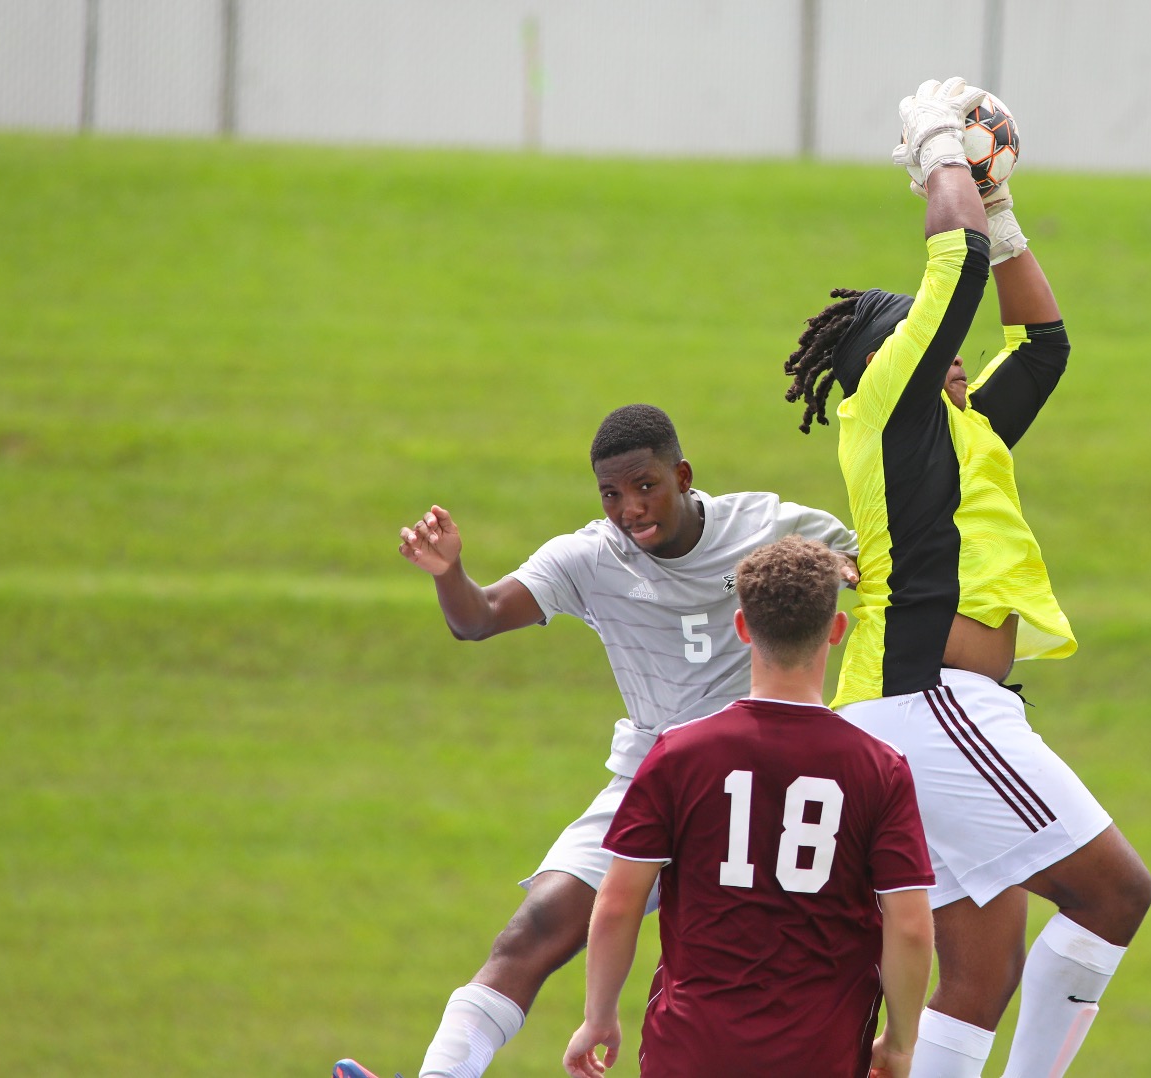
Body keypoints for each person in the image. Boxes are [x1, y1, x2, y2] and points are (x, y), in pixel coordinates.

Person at [781, 78, 1151, 1078]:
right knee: (1116, 893)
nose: (955, 354)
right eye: (933, 342)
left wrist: (999, 209)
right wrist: (940, 149)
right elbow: (954, 268)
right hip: (927, 703)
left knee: (976, 973)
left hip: (931, 708)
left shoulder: (963, 423)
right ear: (886, 359)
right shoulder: (884, 409)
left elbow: (1042, 343)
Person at [334, 405, 856, 1078]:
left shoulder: (770, 525)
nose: (630, 509)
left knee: (750, 986)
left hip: (756, 789)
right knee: (530, 932)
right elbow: (480, 619)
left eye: (646, 486)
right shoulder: (589, 557)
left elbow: (877, 569)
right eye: (611, 493)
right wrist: (448, 575)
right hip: (650, 779)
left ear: (683, 475)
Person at [563, 535, 935, 1078]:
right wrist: (899, 1045)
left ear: (742, 627)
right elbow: (909, 927)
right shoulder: (880, 767)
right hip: (821, 1055)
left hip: (690, 1050)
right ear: (836, 631)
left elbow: (618, 902)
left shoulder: (678, 754)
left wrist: (598, 1017)